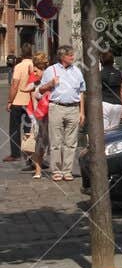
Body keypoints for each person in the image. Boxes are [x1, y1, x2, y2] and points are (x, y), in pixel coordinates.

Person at [36, 47, 85, 182]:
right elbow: (40, 90)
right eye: (69, 55)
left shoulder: (77, 71)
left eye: (72, 55)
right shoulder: (50, 70)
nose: (72, 57)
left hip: (73, 108)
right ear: (62, 57)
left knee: (71, 142)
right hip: (56, 107)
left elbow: (81, 92)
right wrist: (51, 83)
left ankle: (67, 171)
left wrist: (82, 112)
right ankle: (56, 171)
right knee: (56, 141)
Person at [6, 42, 34, 162]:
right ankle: (29, 153)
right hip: (30, 102)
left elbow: (14, 85)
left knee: (14, 128)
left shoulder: (18, 67)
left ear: (21, 53)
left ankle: (15, 153)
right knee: (29, 128)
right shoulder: (34, 65)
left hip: (18, 101)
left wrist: (10, 101)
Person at [27, 50, 51, 178]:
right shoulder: (45, 75)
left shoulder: (36, 76)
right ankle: (40, 170)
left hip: (41, 113)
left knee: (41, 142)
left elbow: (32, 97)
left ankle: (38, 170)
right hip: (46, 112)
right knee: (45, 142)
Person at [97, 49, 122, 134]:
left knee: (104, 132)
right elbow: (121, 91)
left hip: (105, 103)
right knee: (114, 132)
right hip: (117, 104)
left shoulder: (100, 74)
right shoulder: (118, 73)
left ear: (101, 61)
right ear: (113, 61)